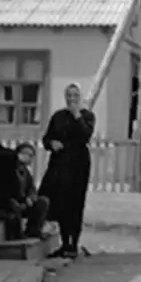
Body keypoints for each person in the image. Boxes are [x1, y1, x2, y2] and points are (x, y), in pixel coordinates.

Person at [39, 83, 96, 259]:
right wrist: (51, 143)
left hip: (78, 164)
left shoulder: (87, 116)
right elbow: (46, 138)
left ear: (80, 98)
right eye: (69, 96)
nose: (72, 99)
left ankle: (74, 244)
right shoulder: (58, 116)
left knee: (76, 204)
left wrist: (76, 114)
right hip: (60, 164)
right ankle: (64, 244)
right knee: (61, 204)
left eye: (75, 96)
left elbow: (85, 135)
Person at [0, 141, 50, 239]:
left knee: (43, 202)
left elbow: (32, 189)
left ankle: (34, 230)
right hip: (8, 202)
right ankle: (17, 234)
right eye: (25, 153)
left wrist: (31, 198)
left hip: (23, 203)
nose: (27, 157)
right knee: (14, 204)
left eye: (30, 155)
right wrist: (23, 200)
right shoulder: (7, 168)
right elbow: (6, 190)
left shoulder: (26, 172)